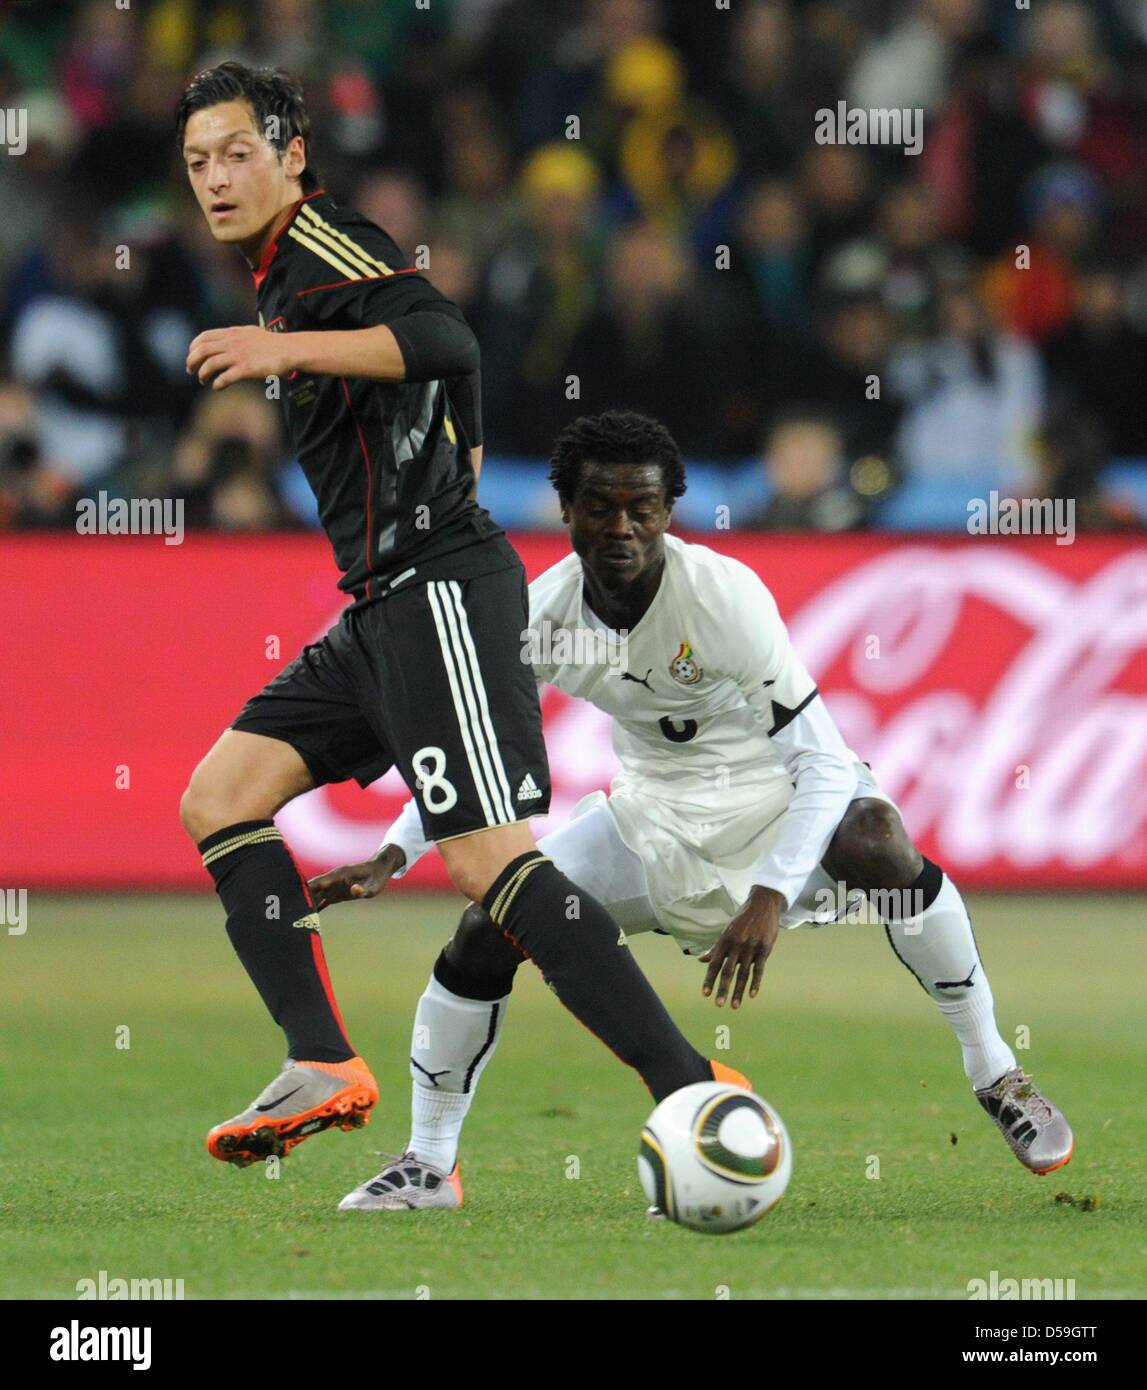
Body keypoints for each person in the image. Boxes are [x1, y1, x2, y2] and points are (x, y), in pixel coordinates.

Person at [175, 64, 734, 1171]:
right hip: (382, 603)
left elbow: (445, 339)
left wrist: (284, 350)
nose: (216, 178)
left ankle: (691, 1084)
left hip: (436, 587)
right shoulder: (283, 268)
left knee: (487, 865)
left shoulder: (320, 248)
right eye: (197, 163)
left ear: (291, 154)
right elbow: (447, 359)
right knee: (220, 797)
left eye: (238, 152)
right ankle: (323, 1058)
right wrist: (463, 444)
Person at [310, 410, 1074, 1211]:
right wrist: (398, 850)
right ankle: (430, 1165)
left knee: (877, 838)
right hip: (653, 820)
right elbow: (480, 748)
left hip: (778, 801)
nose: (622, 528)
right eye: (599, 507)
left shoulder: (721, 597)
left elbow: (820, 761)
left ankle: (994, 1071)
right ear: (564, 511)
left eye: (641, 508)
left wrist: (771, 896)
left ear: (668, 511)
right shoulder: (544, 617)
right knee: (483, 930)